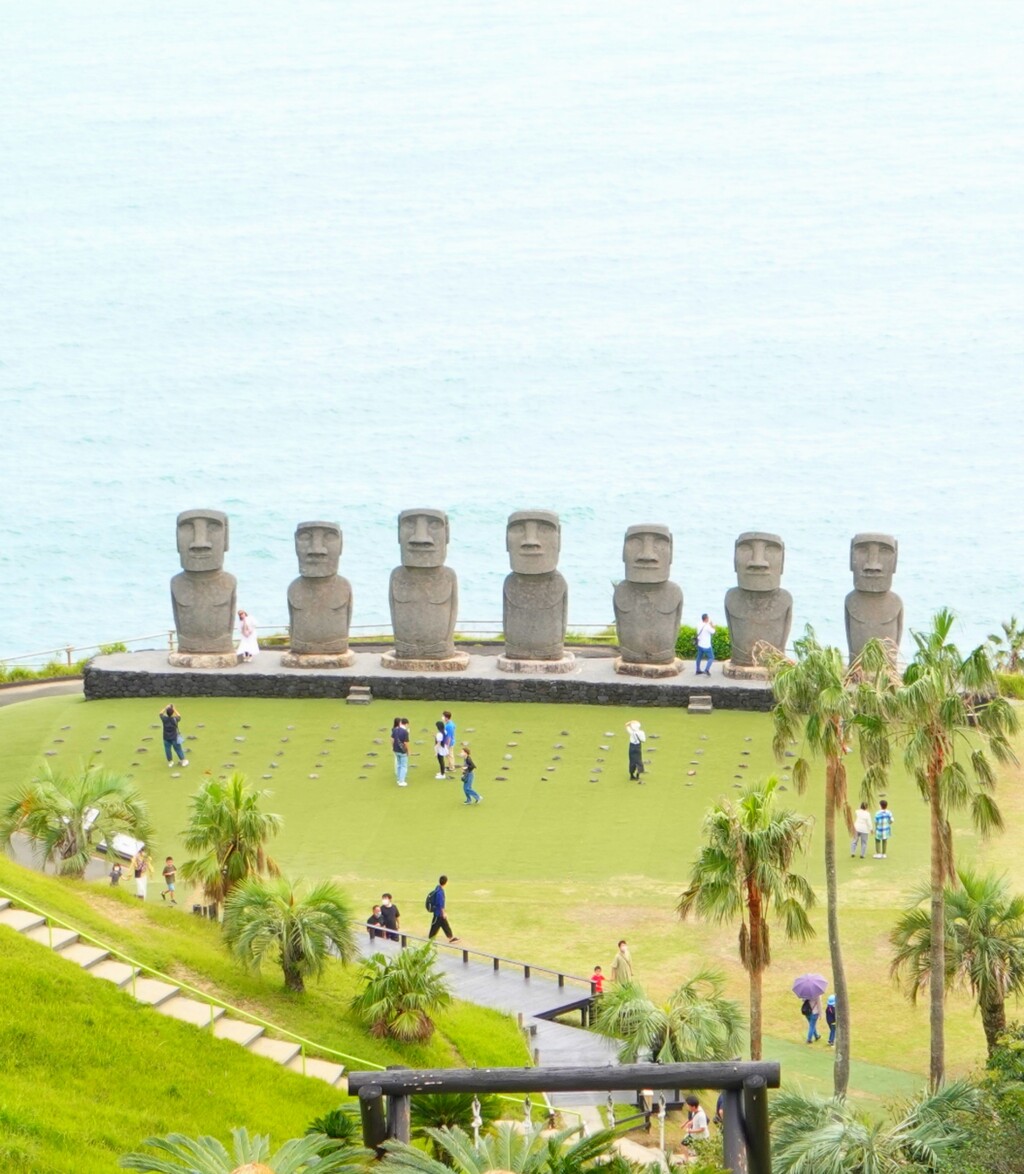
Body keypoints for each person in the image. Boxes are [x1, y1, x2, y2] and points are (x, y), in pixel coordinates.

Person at [427, 875, 459, 943]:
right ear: (446, 882)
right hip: (438, 913)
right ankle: (431, 937)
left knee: (444, 924)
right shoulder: (440, 893)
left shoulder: (438, 888)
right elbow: (440, 905)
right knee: (435, 925)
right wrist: (443, 913)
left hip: (438, 913)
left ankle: (450, 937)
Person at [392, 717, 410, 787]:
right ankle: (402, 781)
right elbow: (406, 743)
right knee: (404, 766)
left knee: (399, 765)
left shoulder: (395, 730)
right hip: (402, 751)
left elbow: (392, 740)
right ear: (406, 724)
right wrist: (408, 751)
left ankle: (399, 779)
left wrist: (393, 747)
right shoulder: (405, 732)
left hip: (396, 750)